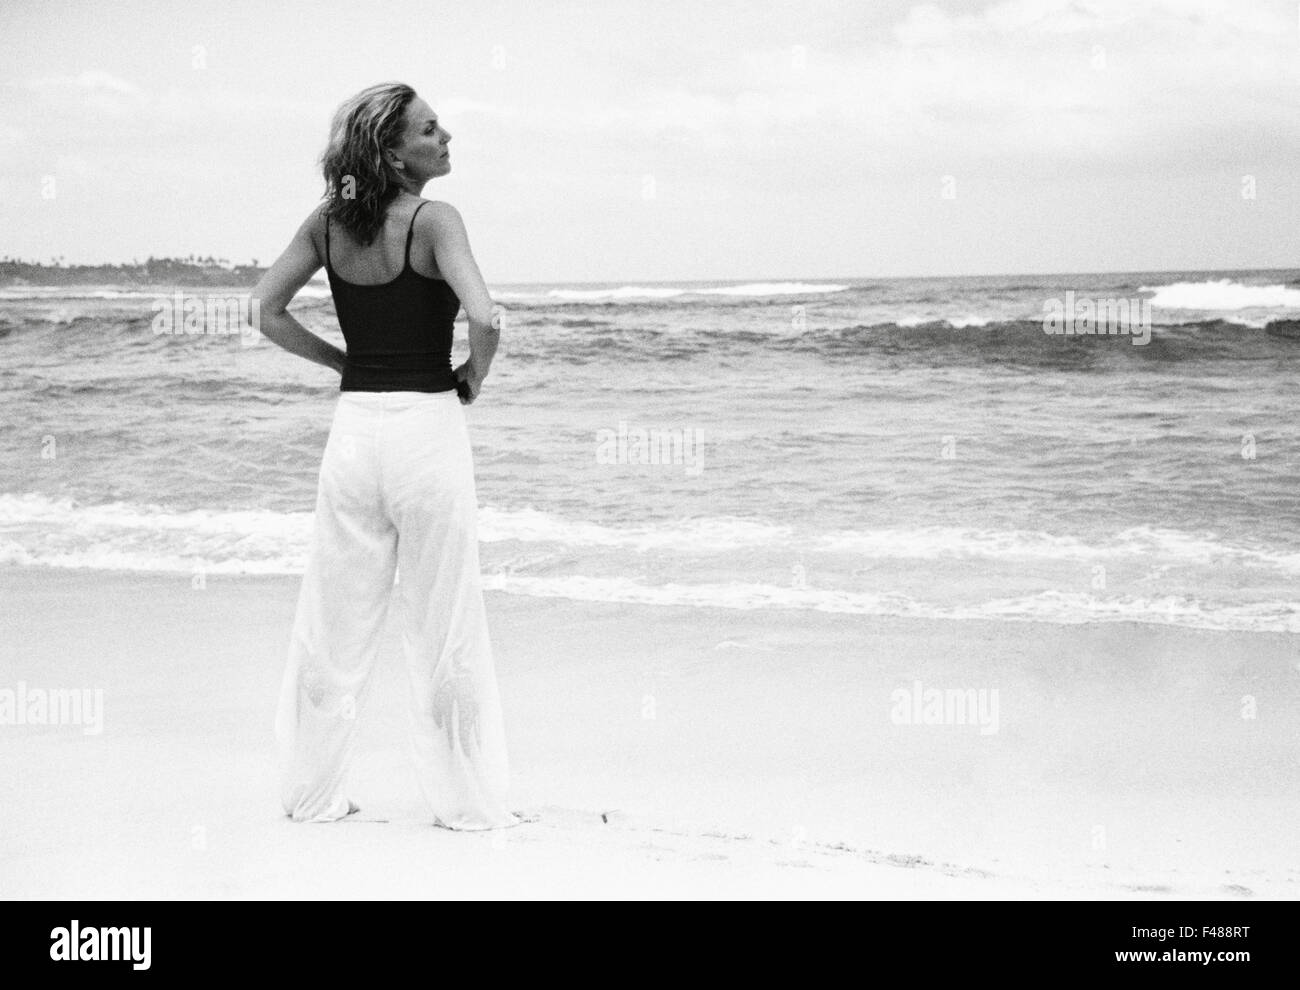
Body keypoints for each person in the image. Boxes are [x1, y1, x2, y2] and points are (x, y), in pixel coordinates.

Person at [249, 81, 520, 830]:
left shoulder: (327, 225)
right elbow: (486, 317)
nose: (447, 137)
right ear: (394, 154)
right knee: (444, 619)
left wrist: (342, 363)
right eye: (431, 130)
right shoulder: (436, 222)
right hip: (426, 432)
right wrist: (473, 374)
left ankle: (311, 797)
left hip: (352, 436)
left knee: (332, 622)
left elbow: (264, 311)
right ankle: (467, 806)